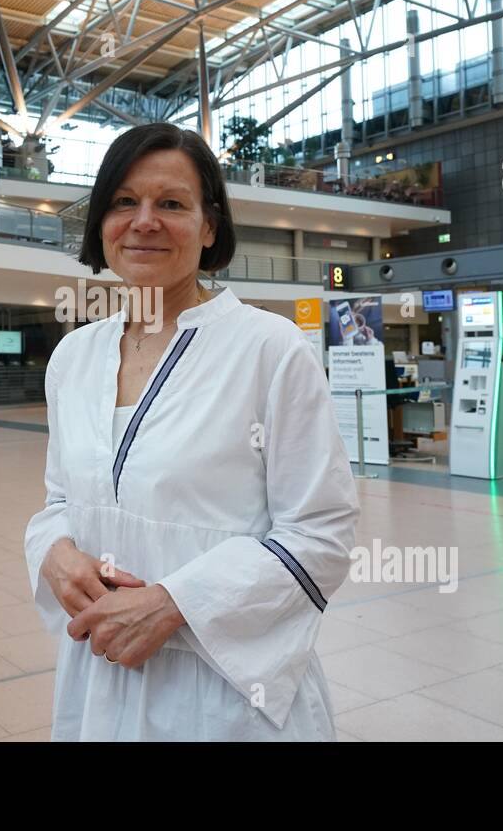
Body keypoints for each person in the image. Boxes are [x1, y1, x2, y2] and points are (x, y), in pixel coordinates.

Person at [24, 123, 360, 741]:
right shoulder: (74, 356)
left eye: (171, 204)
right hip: (101, 676)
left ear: (210, 228)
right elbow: (58, 503)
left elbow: (322, 535)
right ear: (102, 222)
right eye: (124, 202)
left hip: (225, 693)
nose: (144, 221)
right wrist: (55, 554)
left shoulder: (269, 349)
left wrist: (173, 603)